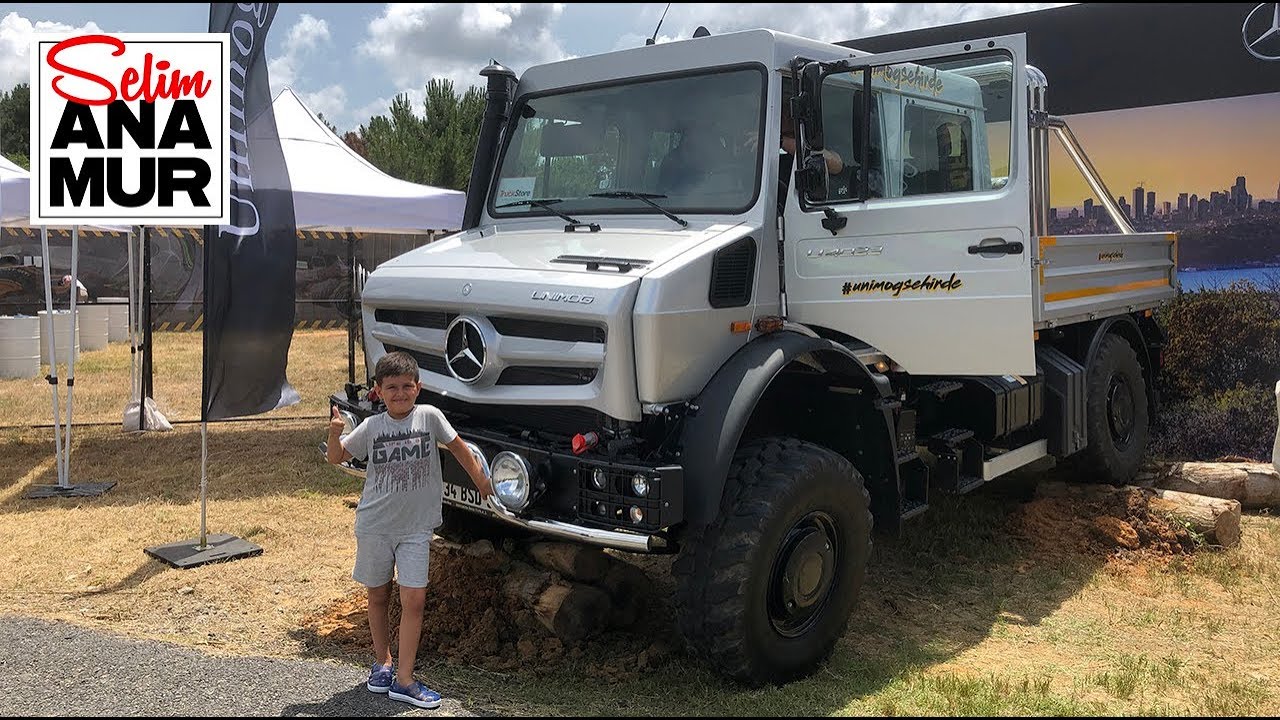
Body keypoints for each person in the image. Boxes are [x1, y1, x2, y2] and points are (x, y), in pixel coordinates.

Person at [326, 350, 494, 709]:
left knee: (414, 599)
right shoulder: (372, 427)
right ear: (378, 391)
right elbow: (337, 457)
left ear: (418, 388)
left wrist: (480, 479)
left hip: (416, 528)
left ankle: (404, 680)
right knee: (378, 596)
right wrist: (335, 433)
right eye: (391, 388)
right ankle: (383, 664)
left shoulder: (430, 417)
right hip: (374, 526)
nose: (400, 393)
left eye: (407, 386)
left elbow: (458, 447)